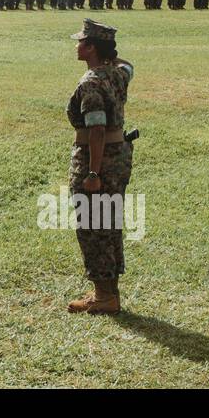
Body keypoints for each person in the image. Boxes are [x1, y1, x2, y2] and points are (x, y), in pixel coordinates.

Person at [65, 19, 135, 315]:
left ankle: (104, 296)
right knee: (108, 223)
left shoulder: (92, 82)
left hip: (99, 160)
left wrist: (92, 173)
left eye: (82, 41)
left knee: (94, 227)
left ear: (91, 48)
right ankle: (107, 291)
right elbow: (129, 65)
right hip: (118, 158)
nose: (77, 45)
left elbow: (96, 130)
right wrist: (108, 55)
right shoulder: (117, 74)